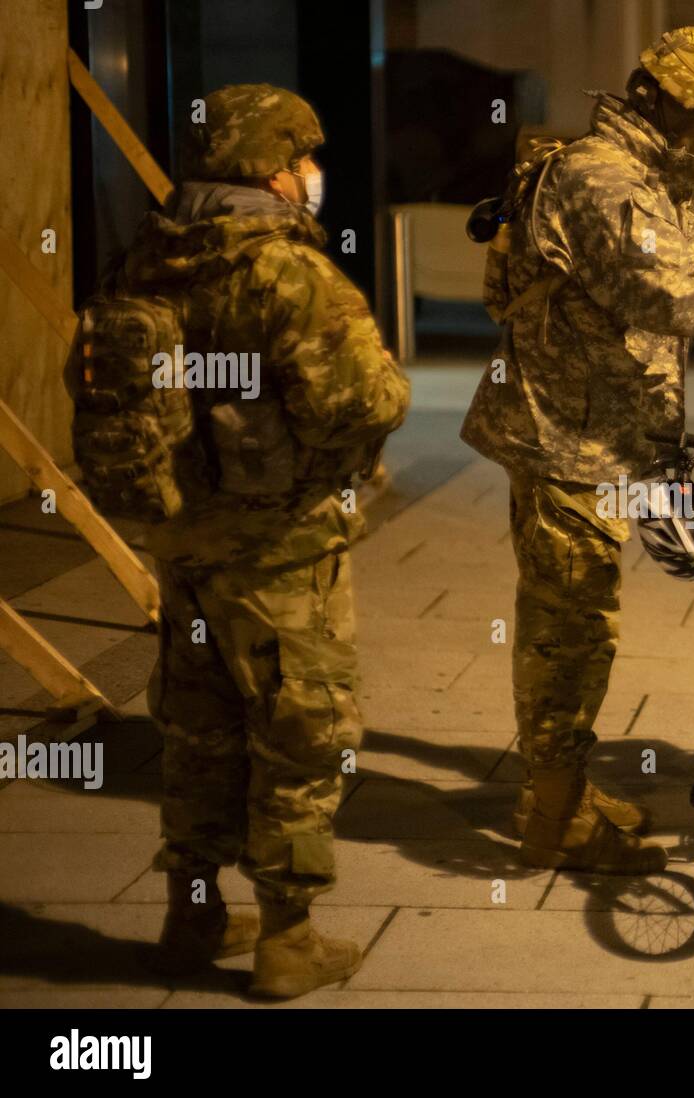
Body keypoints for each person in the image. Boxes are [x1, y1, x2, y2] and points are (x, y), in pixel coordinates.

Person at [68, 83, 411, 995]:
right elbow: (364, 400)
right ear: (276, 168)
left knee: (197, 728)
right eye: (306, 159)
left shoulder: (148, 253)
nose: (313, 175)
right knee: (302, 731)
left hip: (180, 536)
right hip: (282, 545)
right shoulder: (284, 271)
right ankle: (288, 941)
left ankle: (194, 911)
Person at [461, 27, 694, 875]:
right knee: (569, 629)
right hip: (564, 440)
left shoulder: (639, 179)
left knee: (581, 624)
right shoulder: (600, 178)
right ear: (668, 100)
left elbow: (693, 253)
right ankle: (555, 820)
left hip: (596, 439)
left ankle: (565, 788)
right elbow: (657, 287)